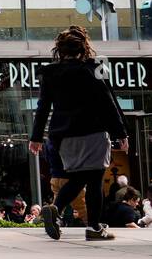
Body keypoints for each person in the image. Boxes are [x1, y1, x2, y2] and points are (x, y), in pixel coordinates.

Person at [32, 25, 129, 242]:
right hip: (94, 132)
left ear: (60, 49)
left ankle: (55, 209)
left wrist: (36, 137)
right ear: (83, 47)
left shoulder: (51, 74)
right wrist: (121, 133)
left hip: (64, 136)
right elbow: (108, 104)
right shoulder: (92, 70)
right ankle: (93, 227)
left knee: (77, 177)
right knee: (94, 181)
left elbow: (43, 107)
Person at [43, 137, 87, 226]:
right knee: (81, 205)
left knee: (58, 201)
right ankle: (92, 224)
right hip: (70, 176)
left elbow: (46, 158)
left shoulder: (49, 140)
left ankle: (52, 219)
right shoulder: (69, 136)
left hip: (55, 177)